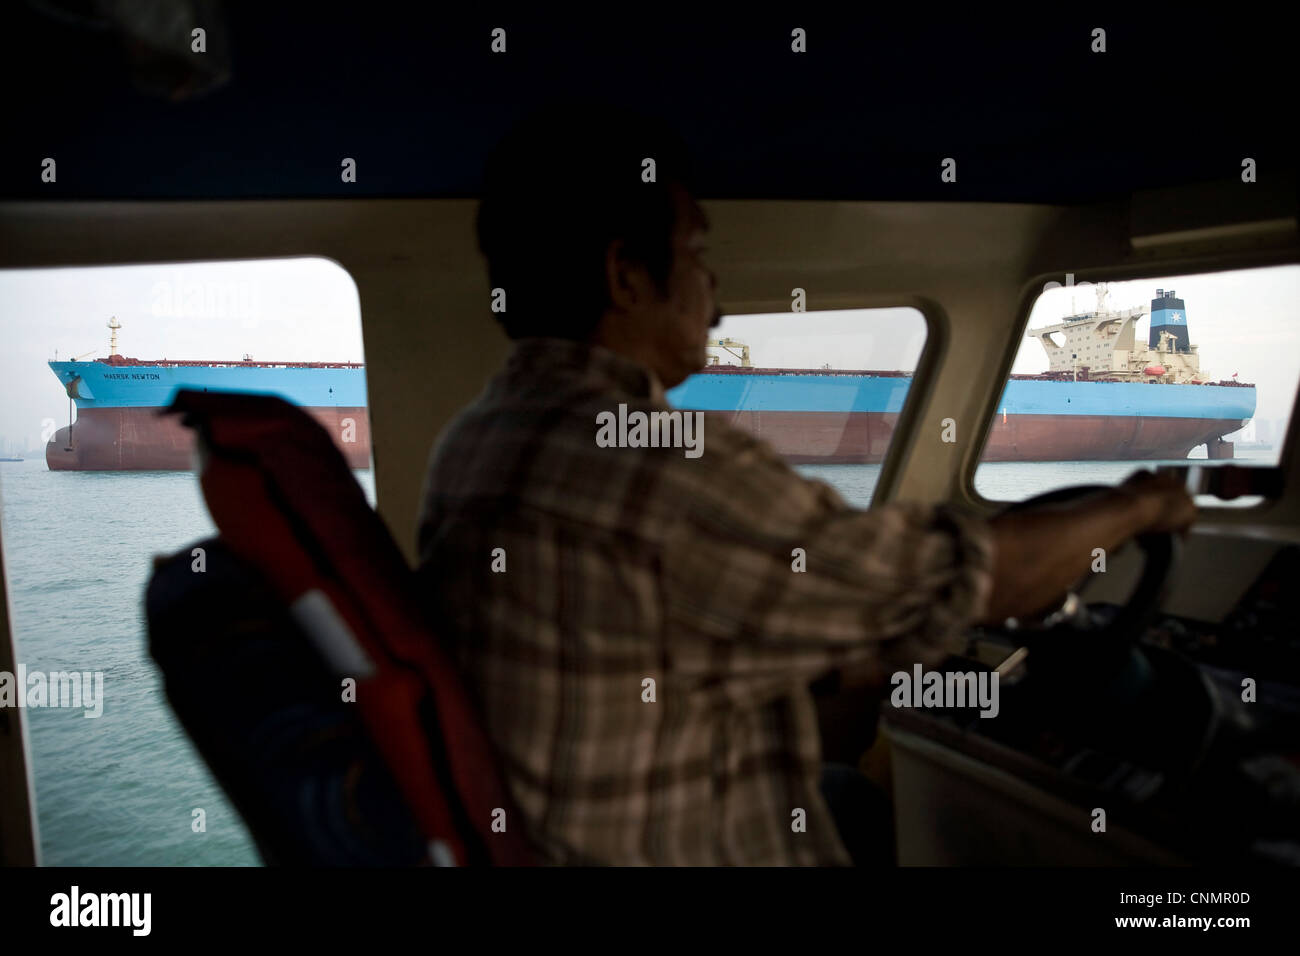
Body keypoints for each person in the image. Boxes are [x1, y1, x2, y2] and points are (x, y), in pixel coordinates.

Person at [414, 103, 1197, 865]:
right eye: (697, 254)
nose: (714, 295)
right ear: (625, 274)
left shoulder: (478, 439)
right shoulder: (658, 467)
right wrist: (1139, 504)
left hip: (570, 815)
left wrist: (851, 653)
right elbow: (978, 576)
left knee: (852, 798)